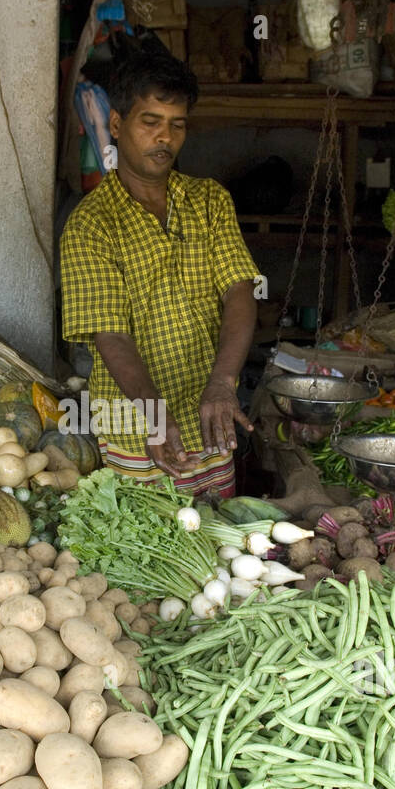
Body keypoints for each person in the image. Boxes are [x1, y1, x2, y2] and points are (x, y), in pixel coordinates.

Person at [60, 46, 260, 497]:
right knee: (148, 555)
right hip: (137, 429)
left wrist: (223, 383)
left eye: (177, 125)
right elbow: (112, 336)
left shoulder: (209, 201)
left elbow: (239, 292)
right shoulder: (91, 224)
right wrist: (155, 416)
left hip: (211, 417)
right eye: (150, 122)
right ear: (117, 125)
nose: (165, 138)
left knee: (219, 548)